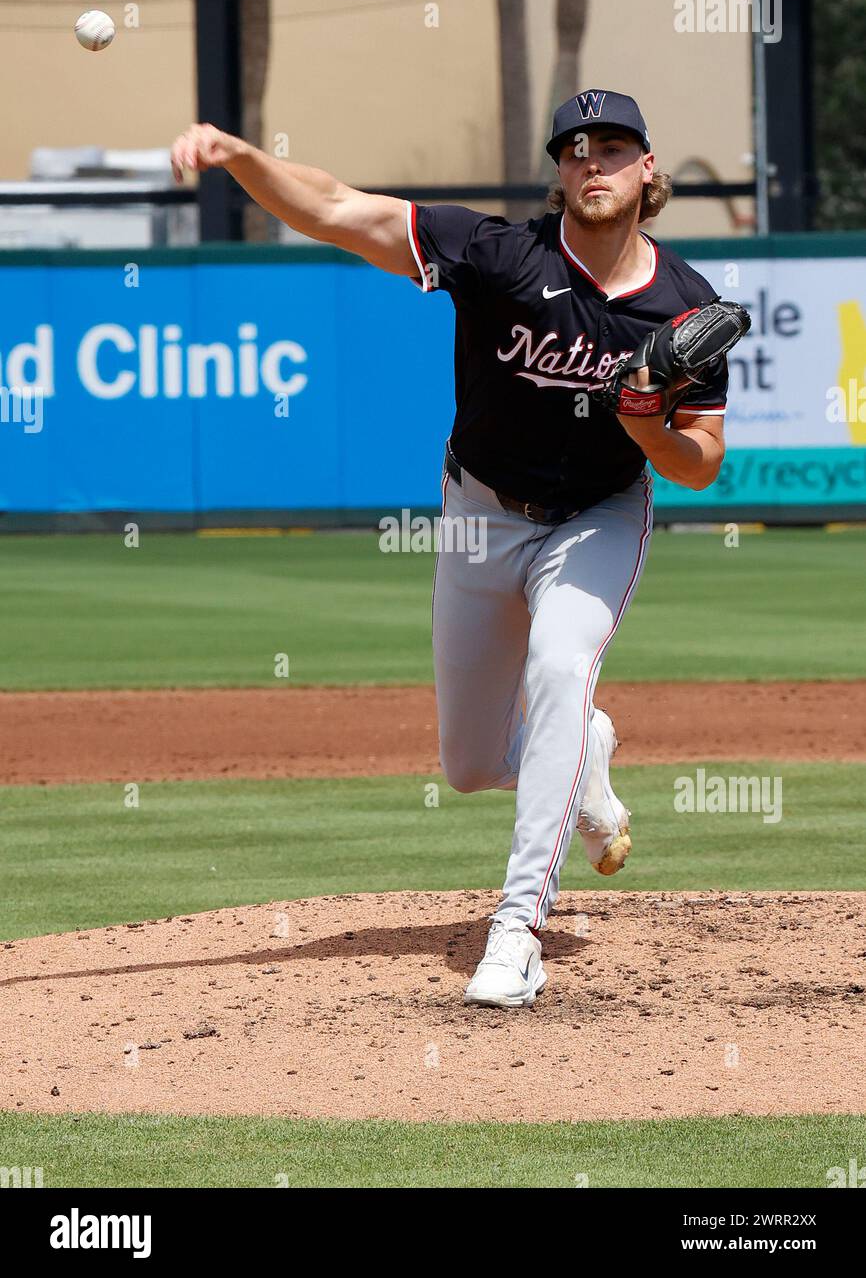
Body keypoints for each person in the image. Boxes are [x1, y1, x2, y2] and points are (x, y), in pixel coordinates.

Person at [171, 89, 730, 1010]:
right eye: (574, 148)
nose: (593, 161)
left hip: (597, 516)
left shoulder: (684, 307)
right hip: (479, 513)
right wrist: (240, 157)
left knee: (558, 664)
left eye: (614, 146)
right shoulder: (498, 255)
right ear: (559, 172)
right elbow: (340, 209)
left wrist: (646, 423)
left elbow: (701, 461)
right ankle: (580, 752)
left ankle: (518, 929)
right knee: (471, 765)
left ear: (648, 169)